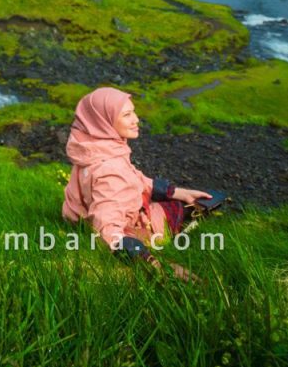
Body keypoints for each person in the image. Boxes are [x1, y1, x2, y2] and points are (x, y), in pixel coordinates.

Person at [61, 86, 211, 281]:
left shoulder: (94, 148)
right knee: (183, 210)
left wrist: (178, 192)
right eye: (127, 115)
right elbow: (107, 228)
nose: (136, 119)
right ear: (104, 121)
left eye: (134, 112)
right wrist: (155, 264)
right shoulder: (111, 172)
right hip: (126, 225)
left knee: (184, 201)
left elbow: (134, 179)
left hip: (80, 217)